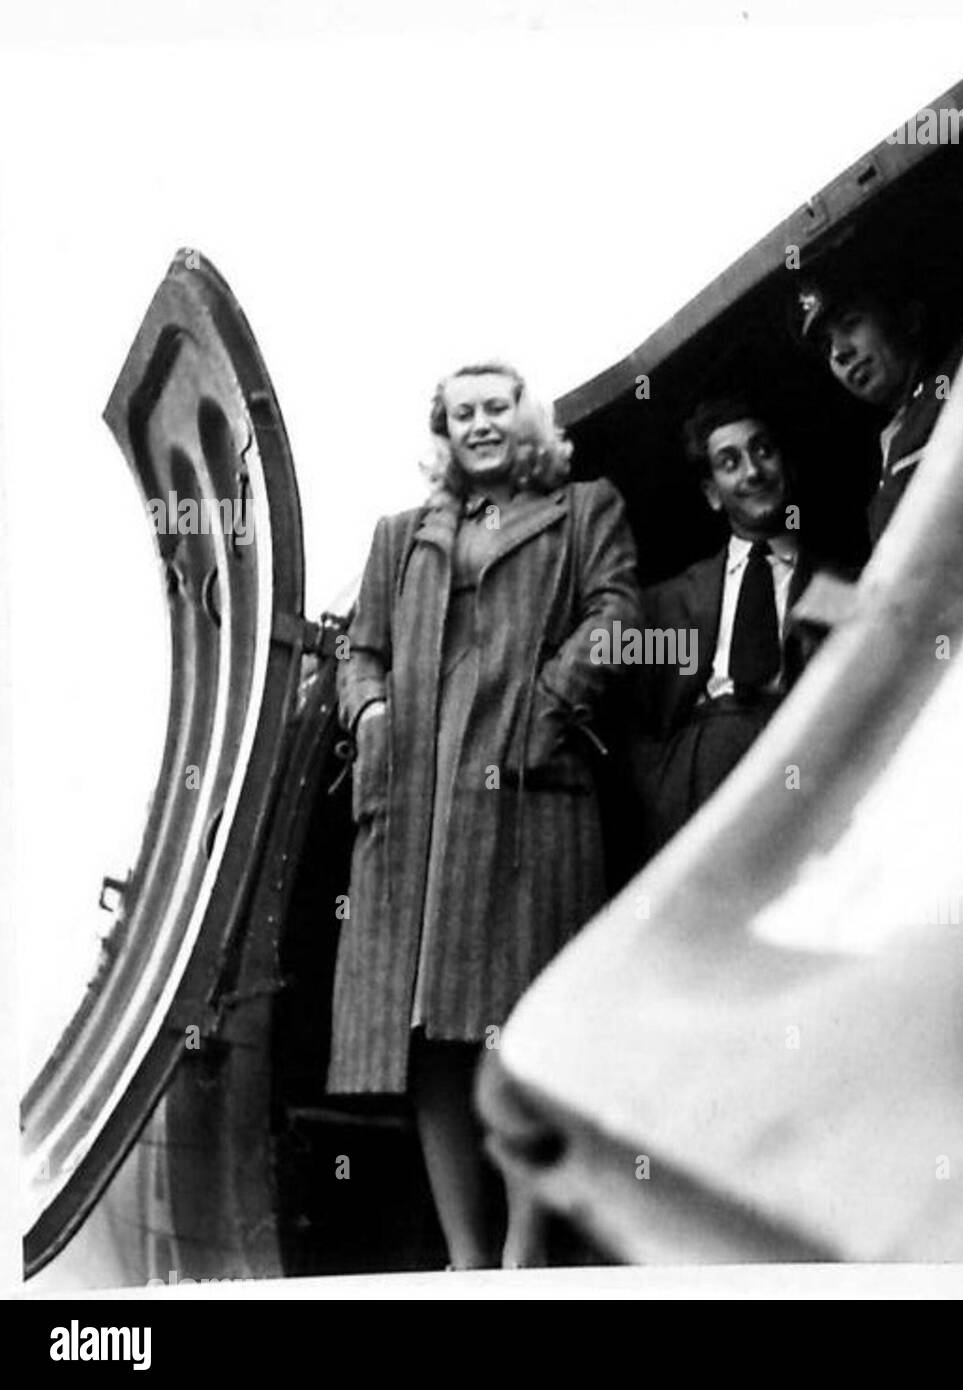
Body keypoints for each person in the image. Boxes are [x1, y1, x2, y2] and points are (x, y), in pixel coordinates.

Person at [327, 361, 641, 1270]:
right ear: (445, 432)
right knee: (427, 1037)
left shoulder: (585, 507)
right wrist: (371, 713)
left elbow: (617, 615)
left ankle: (525, 1247)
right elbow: (361, 653)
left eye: (497, 407)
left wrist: (550, 702)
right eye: (462, 413)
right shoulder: (399, 536)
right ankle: (467, 1260)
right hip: (418, 805)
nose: (480, 424)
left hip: (526, 789)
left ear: (527, 418)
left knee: (520, 1024)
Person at [628, 397, 835, 852]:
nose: (752, 472)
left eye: (763, 451)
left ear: (787, 466)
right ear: (711, 492)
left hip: (801, 770)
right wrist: (661, 788)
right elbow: (632, 719)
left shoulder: (840, 586)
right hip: (700, 777)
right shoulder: (669, 604)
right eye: (729, 462)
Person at [796, 270, 963, 546]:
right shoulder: (892, 438)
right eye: (827, 345)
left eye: (850, 324)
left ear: (909, 318)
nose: (839, 352)